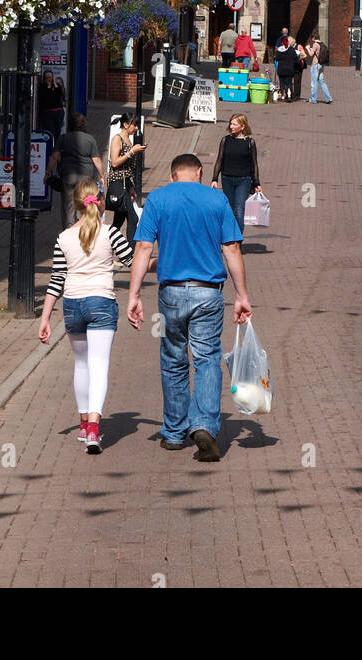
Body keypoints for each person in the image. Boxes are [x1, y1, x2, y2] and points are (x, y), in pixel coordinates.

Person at [127, 153, 252, 462]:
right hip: (209, 293)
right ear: (198, 172)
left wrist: (133, 295)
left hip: (170, 293)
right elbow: (231, 248)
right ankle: (205, 425)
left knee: (173, 359)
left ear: (172, 176)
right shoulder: (216, 199)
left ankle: (172, 432)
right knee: (207, 358)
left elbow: (143, 247)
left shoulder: (158, 199)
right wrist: (242, 295)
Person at [39, 179, 134, 454]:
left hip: (72, 305)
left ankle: (83, 425)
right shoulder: (110, 234)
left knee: (81, 365)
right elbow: (131, 261)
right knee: (99, 365)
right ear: (99, 202)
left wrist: (46, 317)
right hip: (102, 301)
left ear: (76, 204)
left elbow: (57, 278)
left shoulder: (63, 238)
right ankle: (94, 428)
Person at [46, 113, 106, 231]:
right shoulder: (90, 139)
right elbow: (97, 160)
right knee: (85, 205)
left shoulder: (63, 138)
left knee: (68, 208)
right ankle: (83, 231)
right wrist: (102, 175)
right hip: (86, 179)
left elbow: (54, 156)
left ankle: (69, 232)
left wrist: (48, 172)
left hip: (68, 177)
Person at [212, 114, 262, 235]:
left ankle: (237, 238)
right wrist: (214, 179)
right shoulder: (226, 140)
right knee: (229, 210)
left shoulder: (250, 142)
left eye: (234, 124)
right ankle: (229, 235)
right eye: (231, 123)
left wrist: (257, 183)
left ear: (242, 126)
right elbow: (219, 160)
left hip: (243, 180)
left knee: (239, 209)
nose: (231, 126)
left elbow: (254, 163)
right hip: (227, 179)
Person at [107, 113, 146, 244]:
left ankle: (105, 246)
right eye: (134, 124)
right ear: (125, 124)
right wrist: (132, 152)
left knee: (118, 222)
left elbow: (129, 168)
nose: (136, 128)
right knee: (133, 218)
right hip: (117, 183)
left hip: (125, 183)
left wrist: (132, 187)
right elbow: (114, 162)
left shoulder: (129, 140)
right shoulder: (117, 139)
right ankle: (132, 254)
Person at [37, 69, 67, 144]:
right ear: (44, 79)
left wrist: (55, 85)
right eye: (47, 78)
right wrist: (49, 87)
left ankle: (56, 147)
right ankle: (50, 146)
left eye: (50, 77)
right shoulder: (42, 87)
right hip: (47, 113)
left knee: (57, 131)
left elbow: (60, 95)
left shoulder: (57, 86)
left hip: (58, 112)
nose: (49, 79)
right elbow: (45, 98)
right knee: (50, 131)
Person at [306, 34, 332, 104]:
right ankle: (328, 98)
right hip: (321, 64)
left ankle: (313, 99)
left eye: (312, 38)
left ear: (314, 38)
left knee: (314, 82)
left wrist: (308, 48)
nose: (311, 40)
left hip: (315, 64)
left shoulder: (315, 44)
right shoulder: (321, 44)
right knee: (322, 81)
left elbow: (311, 54)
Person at [275, 34, 299, 101]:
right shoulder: (291, 49)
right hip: (290, 69)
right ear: (287, 42)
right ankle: (289, 95)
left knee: (282, 83)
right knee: (289, 83)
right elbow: (296, 59)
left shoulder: (279, 50)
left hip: (281, 69)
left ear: (282, 42)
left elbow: (276, 58)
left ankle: (283, 96)